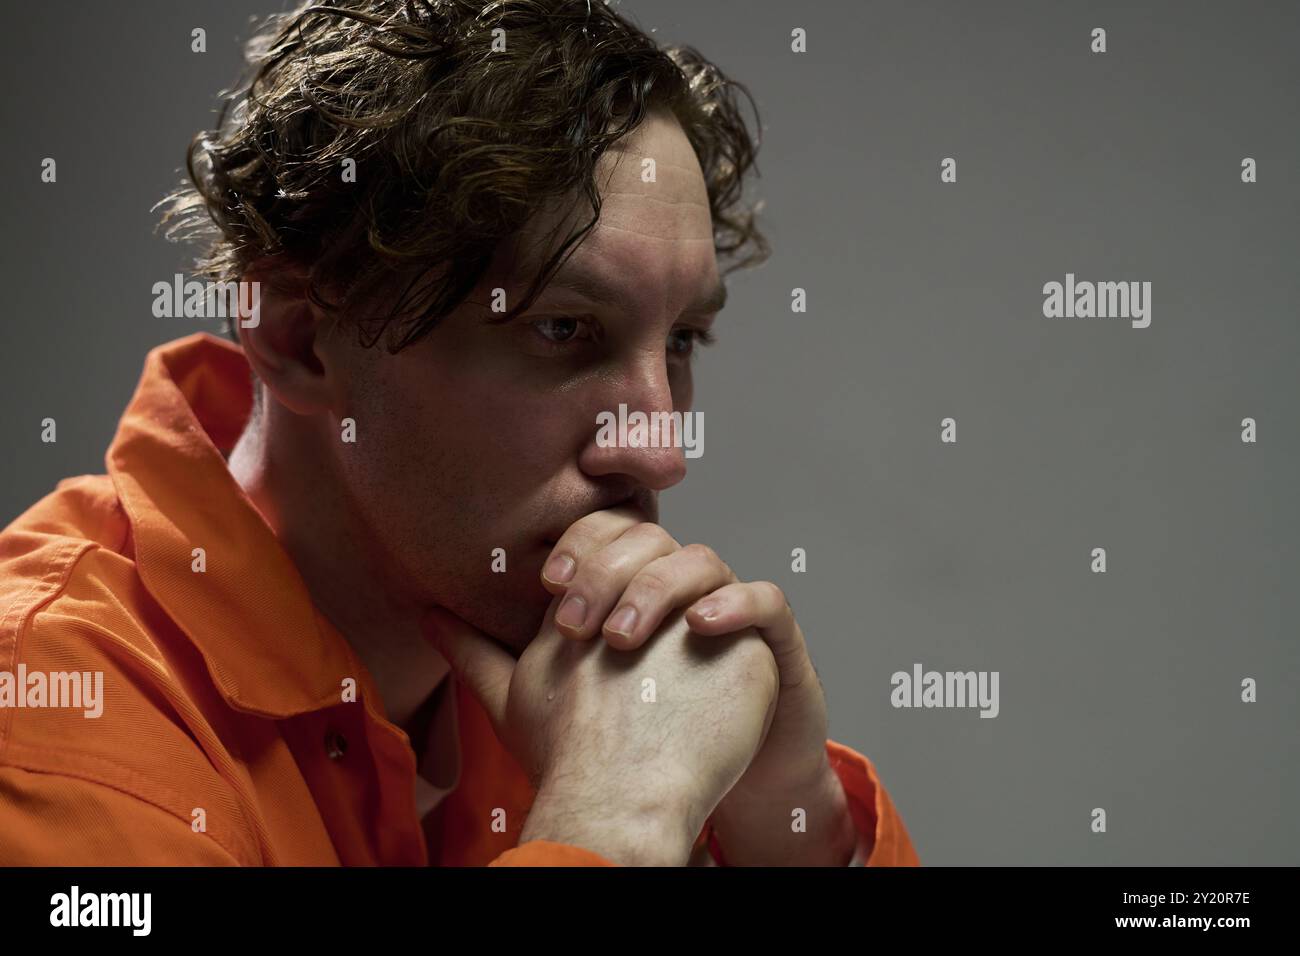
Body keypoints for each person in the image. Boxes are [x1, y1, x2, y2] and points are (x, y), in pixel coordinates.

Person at [0, 0, 917, 866]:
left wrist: (790, 826)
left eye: (680, 339)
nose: (663, 452)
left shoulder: (590, 678)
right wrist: (610, 825)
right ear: (300, 339)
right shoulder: (48, 715)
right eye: (561, 327)